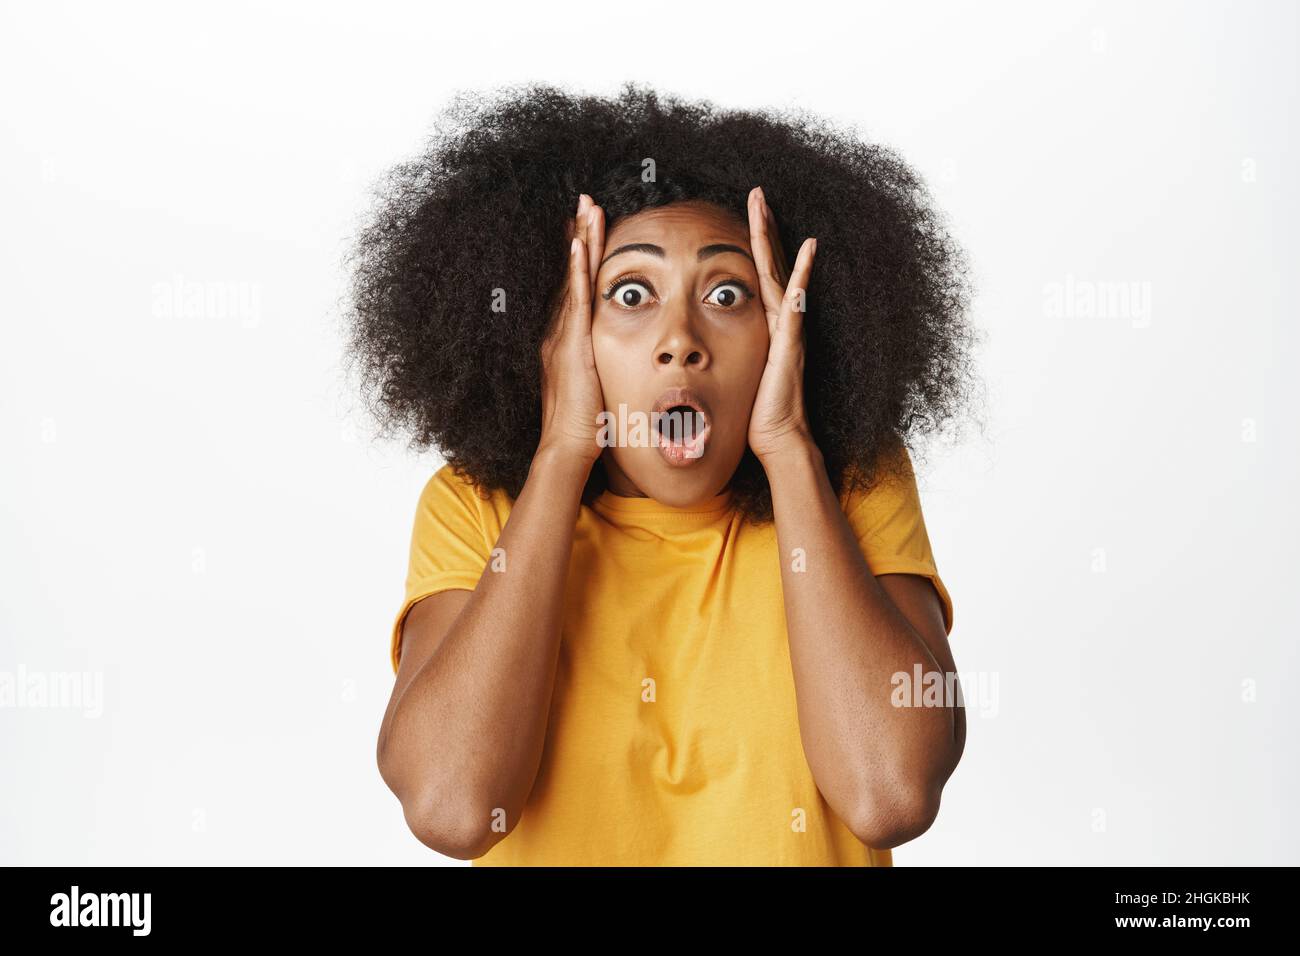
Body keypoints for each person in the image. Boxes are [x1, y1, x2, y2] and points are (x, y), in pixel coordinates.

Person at [349, 82, 975, 865]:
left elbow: (890, 794)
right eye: (631, 294)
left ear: (788, 330)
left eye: (727, 293)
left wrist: (786, 445)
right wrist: (561, 453)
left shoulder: (850, 489)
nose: (680, 339)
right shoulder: (479, 509)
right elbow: (452, 807)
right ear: (562, 336)